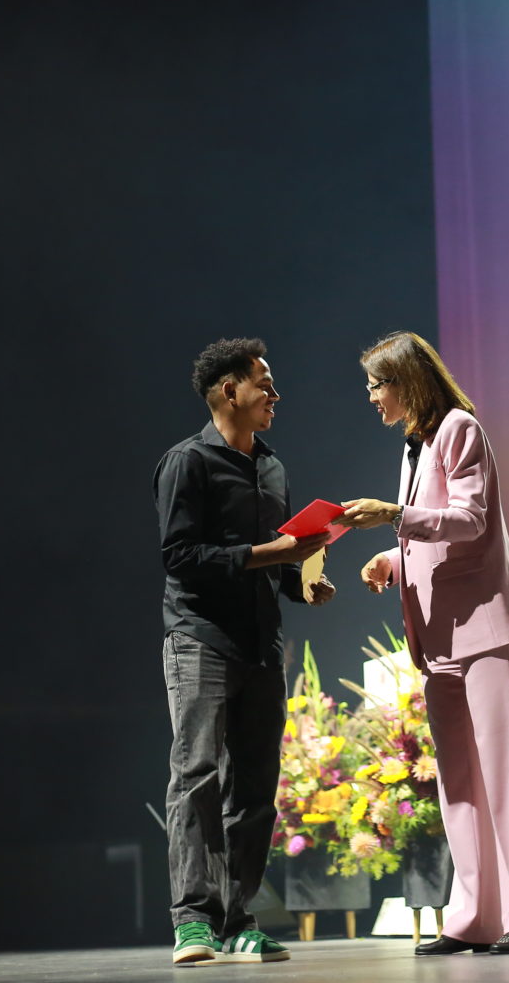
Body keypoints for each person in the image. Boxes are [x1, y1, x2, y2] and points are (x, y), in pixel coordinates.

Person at [333, 331, 509, 956]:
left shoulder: (459, 427)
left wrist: (393, 518)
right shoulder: (417, 445)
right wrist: (391, 557)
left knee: (507, 775)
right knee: (458, 783)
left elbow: (471, 520)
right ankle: (473, 915)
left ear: (407, 382)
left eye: (377, 384)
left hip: (484, 629)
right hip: (438, 639)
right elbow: (430, 535)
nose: (371, 397)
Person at [154, 337, 335, 965]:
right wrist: (272, 557)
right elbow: (181, 558)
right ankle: (192, 922)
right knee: (197, 777)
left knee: (256, 788)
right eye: (265, 384)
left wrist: (303, 580)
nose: (275, 396)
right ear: (229, 390)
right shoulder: (187, 463)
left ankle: (238, 920)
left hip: (262, 646)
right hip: (200, 639)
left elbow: (279, 562)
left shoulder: (273, 467)